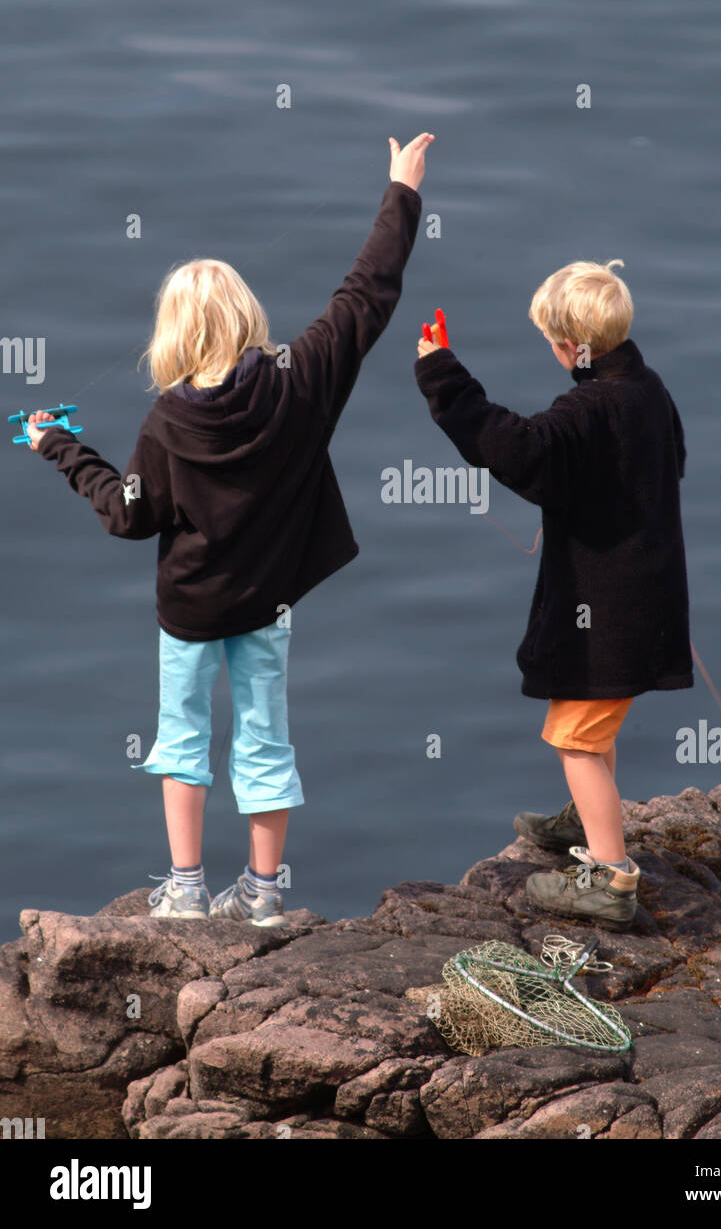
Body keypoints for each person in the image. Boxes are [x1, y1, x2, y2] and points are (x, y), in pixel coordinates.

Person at [28, 132, 433, 925]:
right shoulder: (301, 380)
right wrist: (401, 188)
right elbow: (366, 294)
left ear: (174, 332)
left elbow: (128, 516)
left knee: (179, 741)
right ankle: (264, 893)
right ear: (247, 315)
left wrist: (60, 446)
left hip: (188, 611)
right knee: (266, 739)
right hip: (268, 604)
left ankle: (183, 889)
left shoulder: (167, 422)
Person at [414, 256, 692, 928]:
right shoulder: (647, 389)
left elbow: (519, 449)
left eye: (551, 341)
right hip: (648, 596)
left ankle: (610, 878)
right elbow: (673, 457)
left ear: (574, 347)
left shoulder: (588, 409)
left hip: (610, 611)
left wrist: (442, 374)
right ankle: (588, 816)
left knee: (576, 738)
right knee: (595, 719)